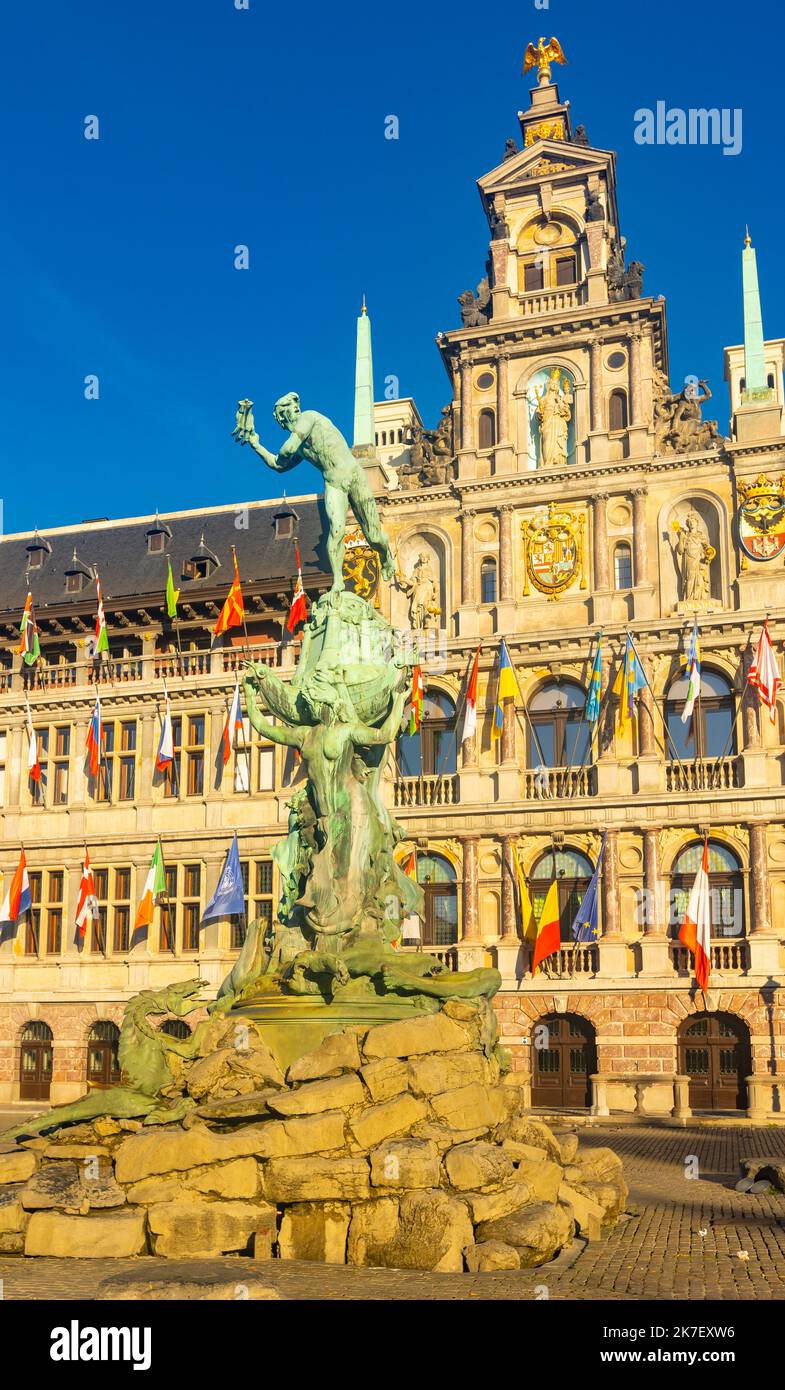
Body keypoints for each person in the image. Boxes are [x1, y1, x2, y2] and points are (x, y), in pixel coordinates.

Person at [233, 391, 396, 591]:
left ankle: (386, 554)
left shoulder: (308, 417)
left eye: (295, 404)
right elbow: (278, 465)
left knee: (374, 537)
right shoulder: (301, 448)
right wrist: (255, 444)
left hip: (354, 475)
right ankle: (338, 582)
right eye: (290, 406)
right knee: (336, 531)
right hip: (334, 483)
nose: (296, 408)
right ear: (282, 416)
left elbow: (286, 451)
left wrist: (279, 449)